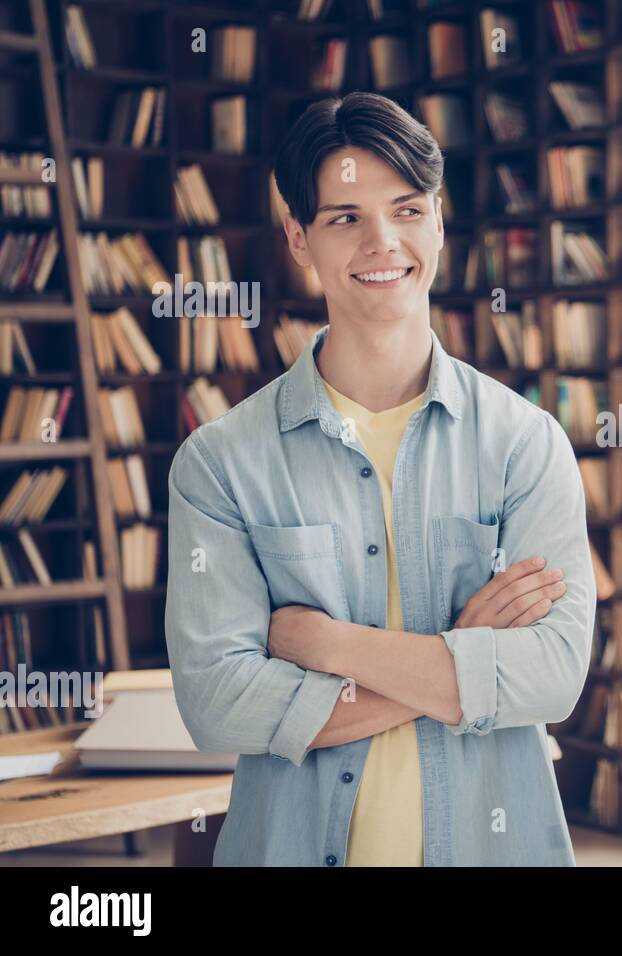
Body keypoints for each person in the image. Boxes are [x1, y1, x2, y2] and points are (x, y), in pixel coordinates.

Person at [165, 92, 595, 866]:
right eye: (345, 217)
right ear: (299, 237)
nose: (382, 242)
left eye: (405, 210)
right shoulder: (221, 463)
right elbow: (220, 705)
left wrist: (323, 642)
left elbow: (551, 680)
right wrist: (465, 654)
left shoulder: (526, 445)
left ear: (438, 220)